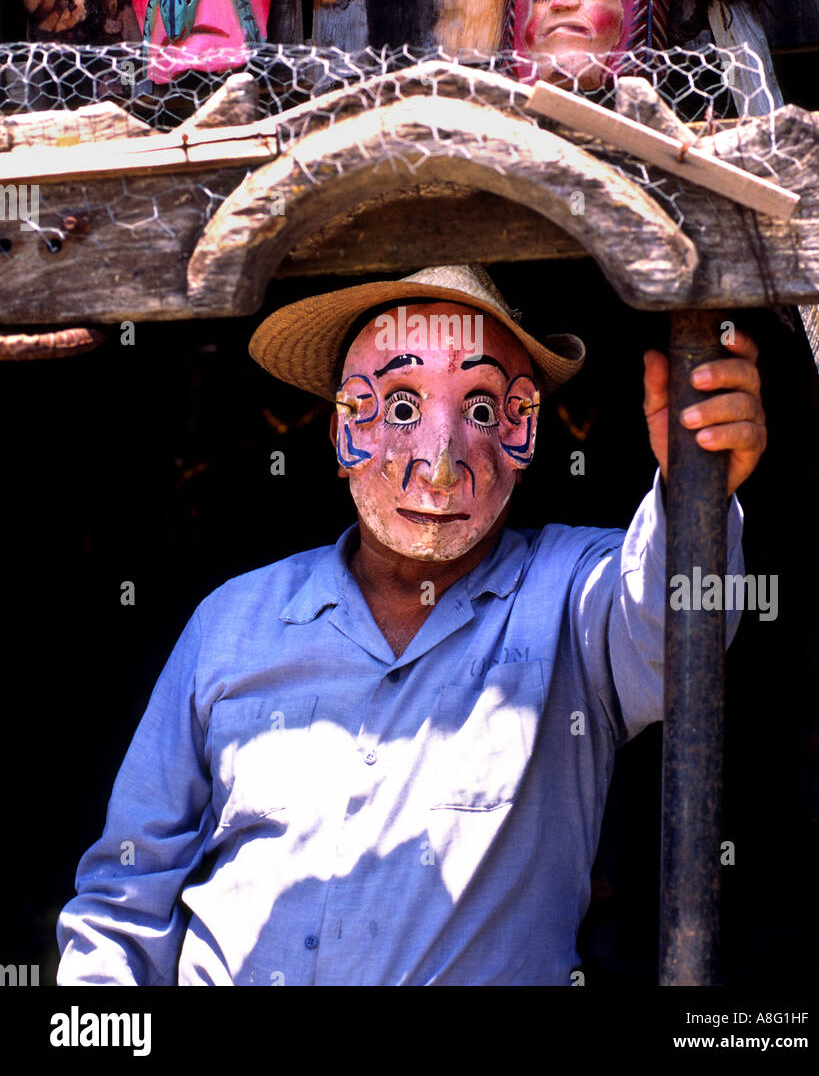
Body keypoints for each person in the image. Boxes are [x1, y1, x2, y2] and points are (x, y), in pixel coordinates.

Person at [56, 264, 766, 985]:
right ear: (342, 433)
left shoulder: (573, 596)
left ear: (525, 435)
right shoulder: (232, 621)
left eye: (484, 411)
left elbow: (673, 640)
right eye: (399, 408)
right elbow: (127, 891)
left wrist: (696, 485)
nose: (439, 468)